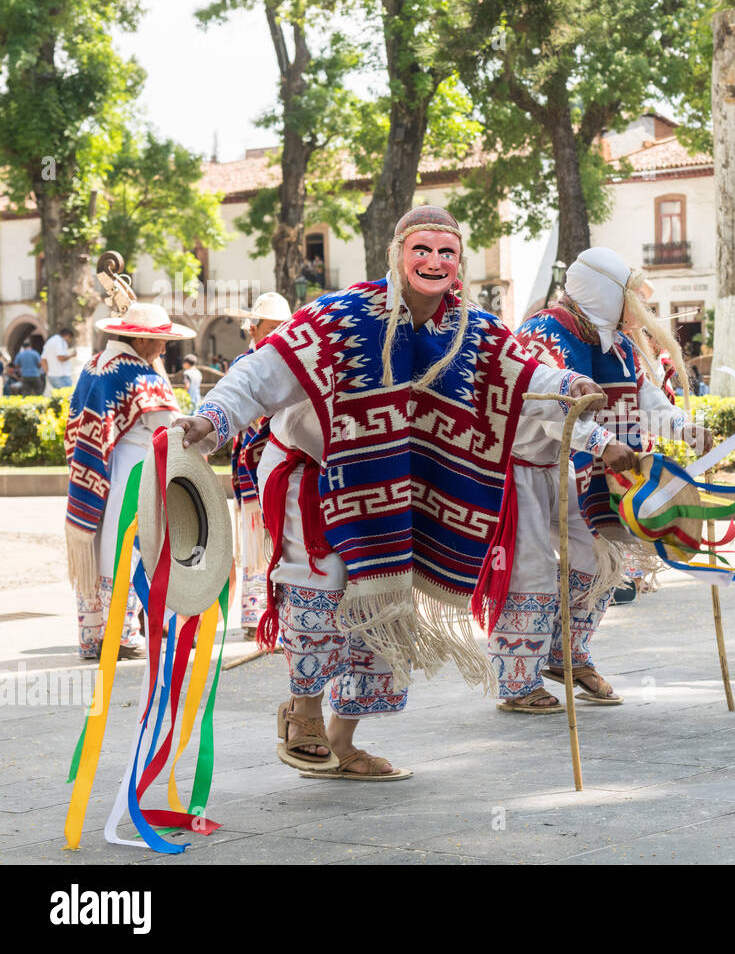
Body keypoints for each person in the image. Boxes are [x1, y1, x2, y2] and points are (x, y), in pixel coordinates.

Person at [173, 205, 607, 780]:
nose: (434, 261)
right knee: (321, 595)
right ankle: (302, 712)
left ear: (459, 263)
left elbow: (526, 376)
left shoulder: (473, 332)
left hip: (399, 490)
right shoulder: (338, 316)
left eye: (446, 252)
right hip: (319, 477)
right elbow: (260, 372)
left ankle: (342, 740)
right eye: (421, 249)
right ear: (397, 255)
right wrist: (210, 420)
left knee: (384, 612)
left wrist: (573, 386)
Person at [504, 248, 711, 710]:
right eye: (628, 296)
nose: (636, 307)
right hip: (524, 470)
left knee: (599, 564)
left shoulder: (617, 343)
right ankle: (517, 682)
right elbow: (547, 412)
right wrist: (602, 444)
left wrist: (683, 428)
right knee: (531, 573)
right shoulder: (541, 334)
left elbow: (648, 401)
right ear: (602, 293)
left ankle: (567, 654)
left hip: (584, 473)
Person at [64, 303, 191, 660]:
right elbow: (174, 426)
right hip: (134, 473)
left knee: (101, 547)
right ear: (140, 340)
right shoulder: (140, 376)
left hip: (94, 470)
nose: (164, 350)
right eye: (159, 342)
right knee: (129, 547)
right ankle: (122, 634)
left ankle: (95, 634)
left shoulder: (95, 366)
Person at [225, 292, 293, 641]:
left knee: (281, 536)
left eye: (283, 327)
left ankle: (278, 616)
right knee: (253, 539)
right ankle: (256, 615)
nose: (276, 333)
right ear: (253, 330)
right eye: (270, 327)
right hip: (252, 467)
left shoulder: (291, 363)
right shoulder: (243, 365)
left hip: (284, 466)